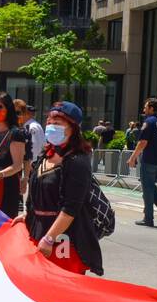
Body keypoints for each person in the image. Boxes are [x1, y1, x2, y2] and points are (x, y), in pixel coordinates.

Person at [24, 100, 103, 277]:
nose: (51, 127)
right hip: (39, 233)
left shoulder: (77, 161)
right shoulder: (46, 154)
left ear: (72, 128)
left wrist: (49, 238)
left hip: (64, 240)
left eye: (58, 124)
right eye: (49, 122)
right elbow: (36, 194)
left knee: (61, 294)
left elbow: (71, 207)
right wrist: (27, 216)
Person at [126, 97, 157, 227]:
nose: (144, 109)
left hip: (150, 160)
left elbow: (142, 142)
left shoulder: (150, 121)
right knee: (151, 186)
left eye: (146, 107)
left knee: (147, 189)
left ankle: (149, 218)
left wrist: (132, 158)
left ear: (152, 108)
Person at [0, 92, 27, 219]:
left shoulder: (15, 133)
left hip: (6, 186)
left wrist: (0, 174)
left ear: (8, 108)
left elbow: (17, 165)